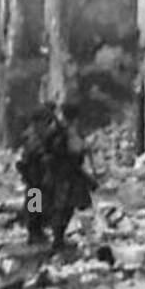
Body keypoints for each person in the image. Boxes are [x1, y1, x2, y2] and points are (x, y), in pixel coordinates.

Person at [44, 103, 97, 249]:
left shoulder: (53, 130)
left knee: (54, 206)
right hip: (51, 174)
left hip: (47, 174)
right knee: (49, 207)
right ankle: (39, 233)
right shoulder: (63, 131)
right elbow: (75, 151)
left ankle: (42, 233)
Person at [16, 103, 60, 244]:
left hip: (38, 173)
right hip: (34, 173)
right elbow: (32, 154)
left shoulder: (37, 133)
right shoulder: (33, 136)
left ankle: (38, 230)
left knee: (40, 202)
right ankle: (34, 232)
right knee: (34, 202)